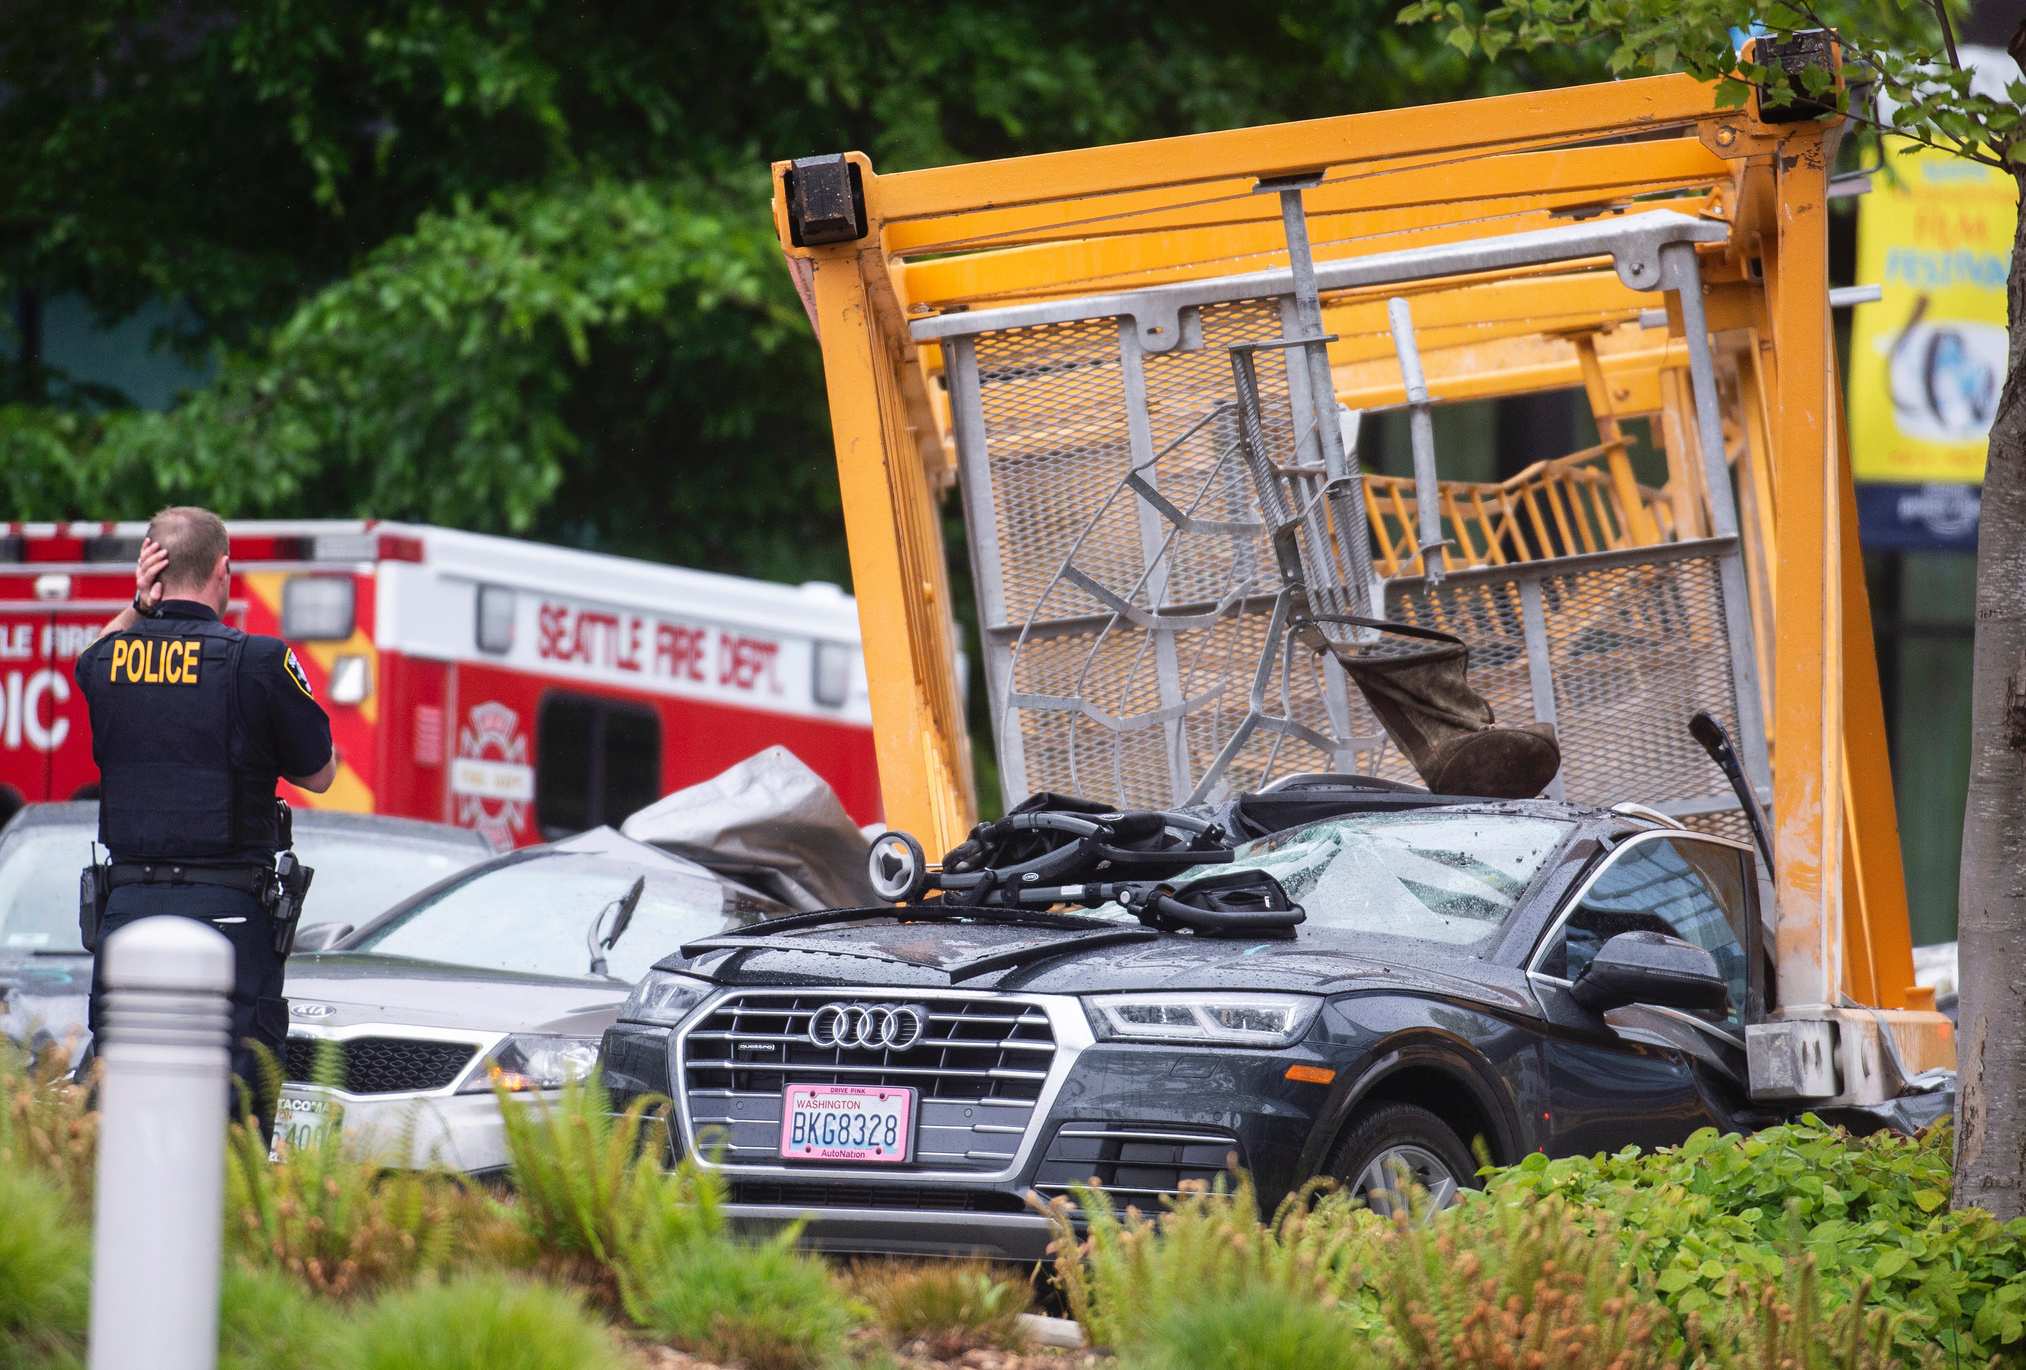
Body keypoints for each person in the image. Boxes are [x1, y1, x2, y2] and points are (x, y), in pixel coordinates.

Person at [75, 507, 336, 1141]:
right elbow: (321, 773)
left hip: (128, 907)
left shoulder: (113, 660)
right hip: (230, 916)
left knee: (121, 1088)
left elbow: (89, 659)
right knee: (234, 1095)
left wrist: (138, 605)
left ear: (153, 571)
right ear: (224, 570)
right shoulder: (259, 661)